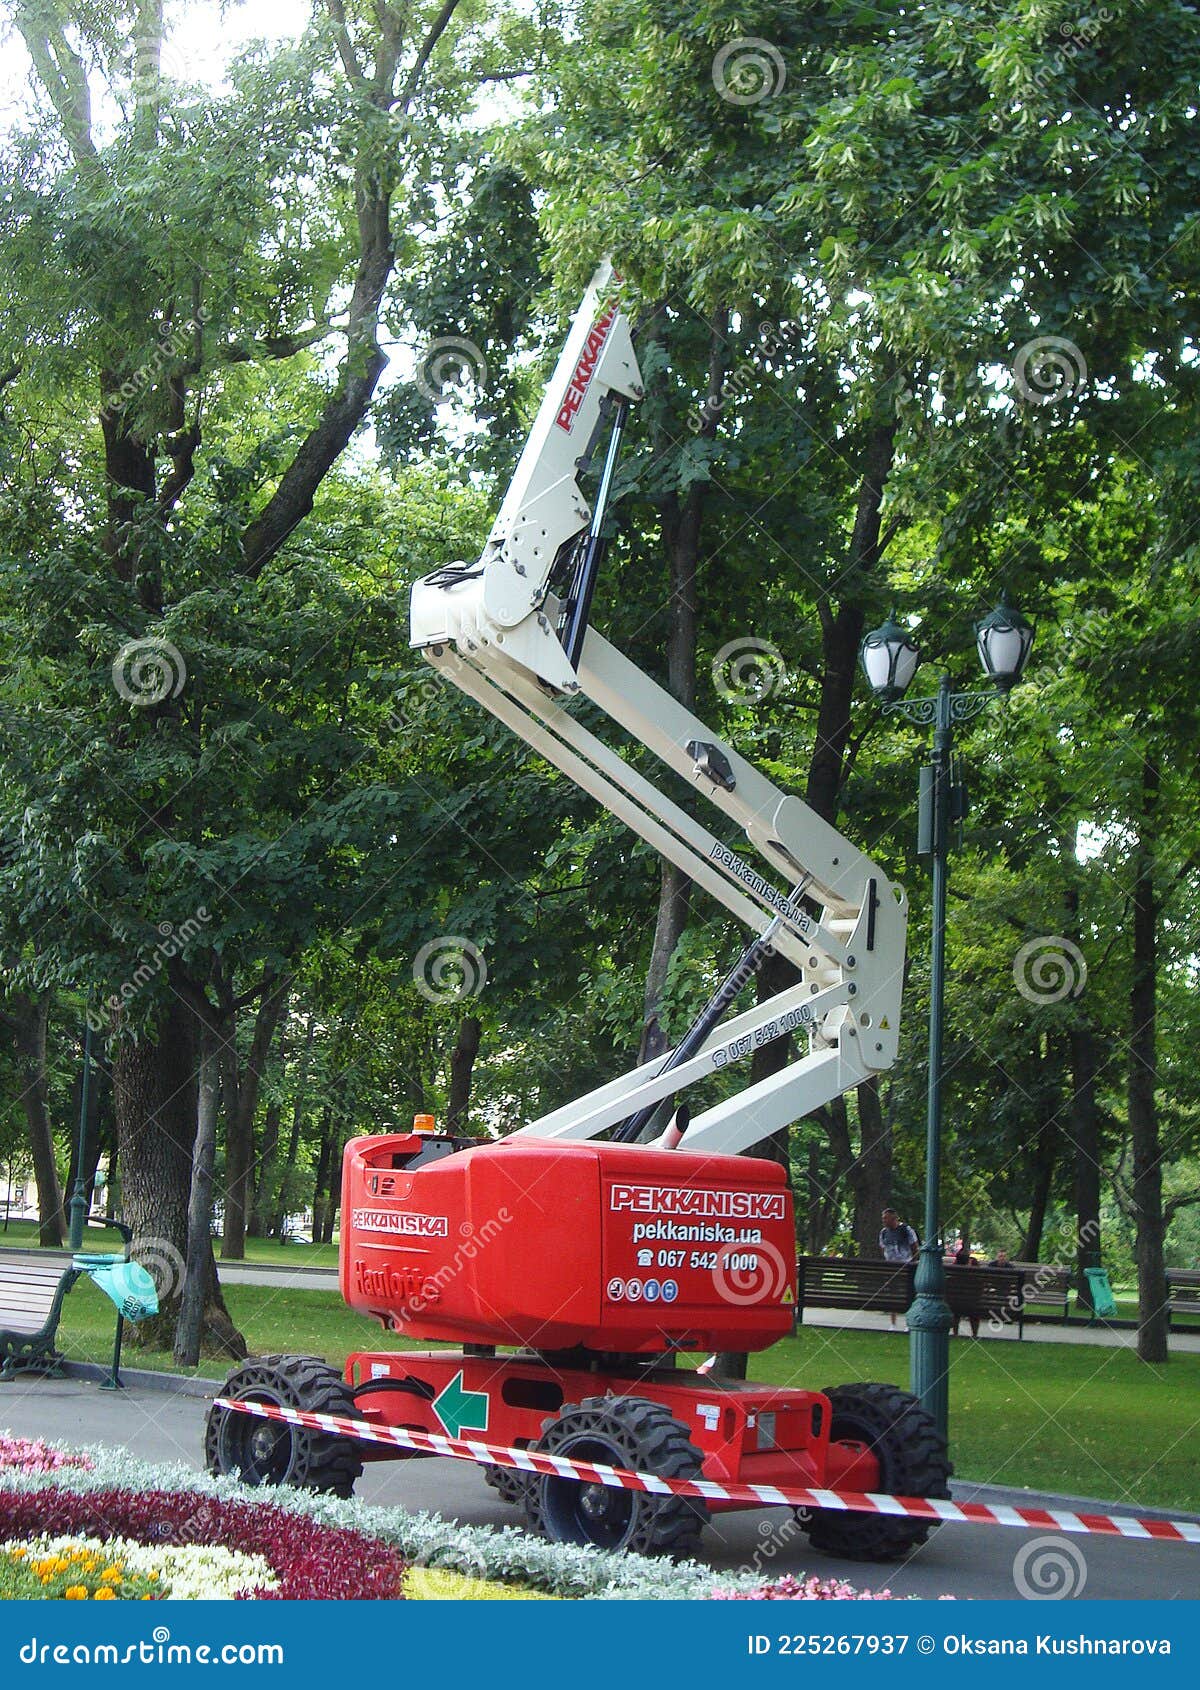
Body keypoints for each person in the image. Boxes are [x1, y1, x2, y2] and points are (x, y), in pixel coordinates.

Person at [879, 1207, 919, 1329]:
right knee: (893, 1294)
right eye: (883, 1218)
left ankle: (908, 1322)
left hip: (906, 1267)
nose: (884, 1221)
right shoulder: (883, 1232)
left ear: (894, 1218)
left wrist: (912, 1263)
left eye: (886, 1218)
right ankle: (893, 1323)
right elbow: (882, 1248)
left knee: (908, 1294)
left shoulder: (906, 1230)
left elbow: (915, 1248)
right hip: (891, 1267)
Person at [951, 1242, 981, 1337]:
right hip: (972, 1305)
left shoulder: (954, 1274)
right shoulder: (974, 1275)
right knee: (974, 1310)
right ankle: (974, 1334)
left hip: (955, 1305)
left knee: (956, 1309)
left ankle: (955, 1333)